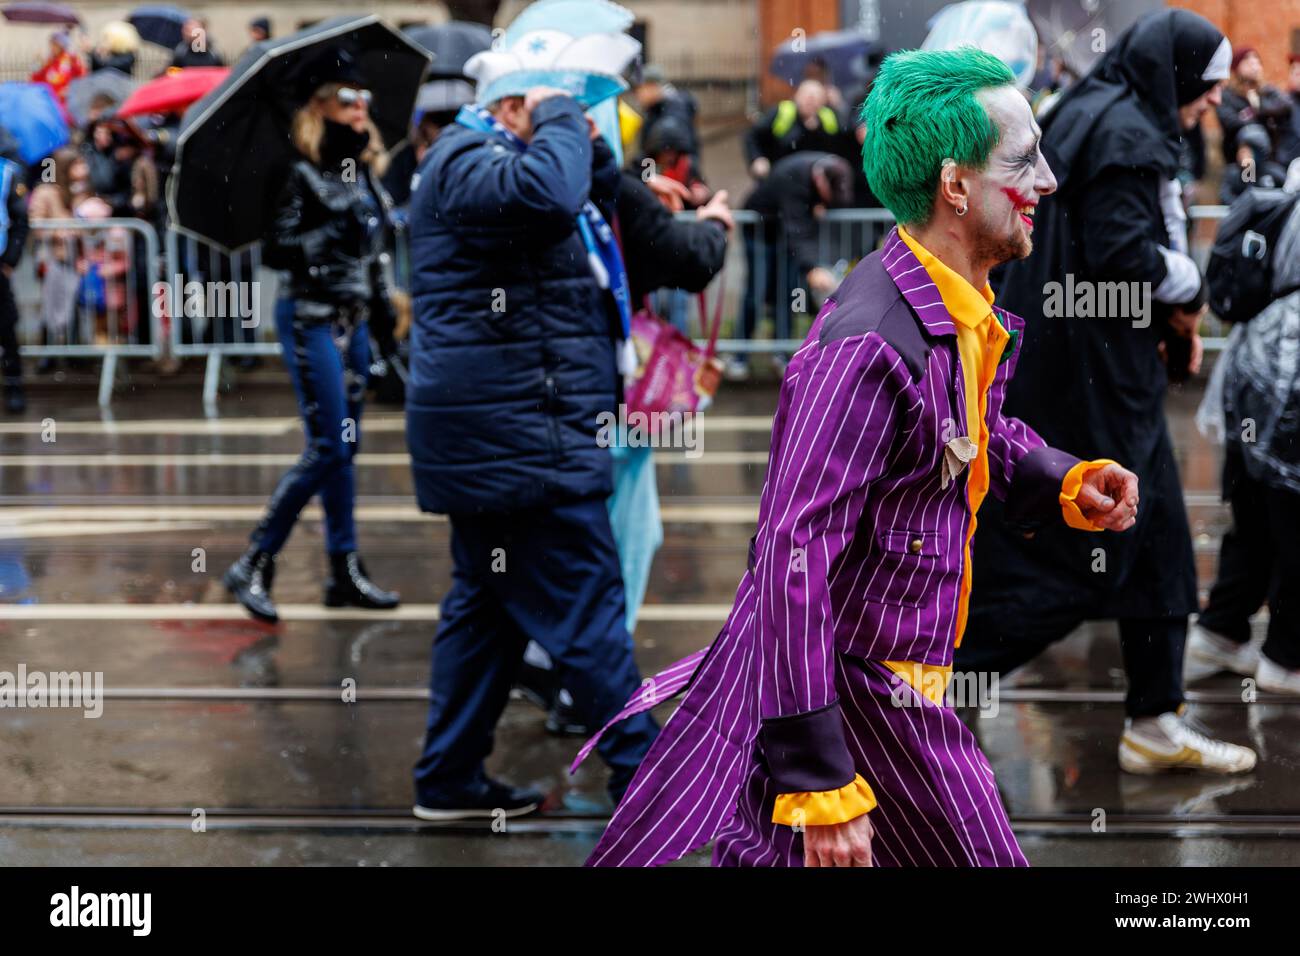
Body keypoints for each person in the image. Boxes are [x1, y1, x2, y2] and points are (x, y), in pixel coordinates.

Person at [577, 48, 1142, 868]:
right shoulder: (869, 343)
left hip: (889, 679)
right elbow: (791, 558)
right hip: (867, 692)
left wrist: (1063, 478)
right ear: (955, 186)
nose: (1047, 181)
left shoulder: (953, 302)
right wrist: (819, 776)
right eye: (1023, 161)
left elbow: (967, 436)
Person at [957, 10, 1257, 774]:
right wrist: (1194, 281)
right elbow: (1127, 253)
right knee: (1089, 548)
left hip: (1094, 364)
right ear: (1178, 76)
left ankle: (1154, 720)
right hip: (1092, 377)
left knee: (1156, 546)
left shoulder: (1097, 109)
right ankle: (945, 687)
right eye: (1209, 88)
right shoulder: (1126, 131)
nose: (1212, 105)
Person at [405, 84, 659, 820]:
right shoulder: (467, 160)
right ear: (510, 103)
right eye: (553, 107)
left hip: (512, 436)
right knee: (586, 605)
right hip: (518, 442)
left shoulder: (494, 159)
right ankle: (647, 773)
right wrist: (555, 123)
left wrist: (587, 144)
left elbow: (582, 196)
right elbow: (550, 195)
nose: (570, 123)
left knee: (487, 614)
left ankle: (448, 778)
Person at [222, 57, 400, 625]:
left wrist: (384, 330)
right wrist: (330, 230)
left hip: (355, 322)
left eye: (363, 97)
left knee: (345, 451)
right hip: (312, 317)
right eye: (347, 97)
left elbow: (375, 256)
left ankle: (343, 569)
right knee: (328, 445)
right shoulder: (297, 170)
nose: (360, 106)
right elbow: (277, 249)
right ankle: (255, 558)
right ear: (319, 106)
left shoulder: (363, 168)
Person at [1189, 185, 1300, 694]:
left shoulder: (1286, 196)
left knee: (1255, 513)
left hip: (1255, 370)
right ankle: (1287, 658)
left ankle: (1222, 632)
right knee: (1286, 520)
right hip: (1286, 378)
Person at [730, 151, 853, 379]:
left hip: (783, 237)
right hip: (760, 233)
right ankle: (739, 355)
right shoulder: (793, 177)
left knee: (786, 294)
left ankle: (782, 353)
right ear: (820, 180)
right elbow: (797, 228)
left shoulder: (829, 171)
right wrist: (812, 267)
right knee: (756, 291)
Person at [743, 79, 855, 180]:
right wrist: (757, 159)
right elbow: (752, 136)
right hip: (781, 175)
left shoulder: (829, 116)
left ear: (823, 101)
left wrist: (840, 106)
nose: (811, 101)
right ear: (797, 96)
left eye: (816, 97)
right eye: (807, 96)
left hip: (817, 177)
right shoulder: (782, 112)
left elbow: (846, 138)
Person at [1217, 47, 1290, 200]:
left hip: (1268, 160)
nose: (1254, 64)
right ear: (1237, 67)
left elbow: (1284, 108)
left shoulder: (1267, 92)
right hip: (1240, 159)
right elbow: (1230, 122)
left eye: (1256, 60)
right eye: (1247, 60)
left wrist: (1256, 111)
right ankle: (1248, 183)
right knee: (1251, 135)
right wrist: (1259, 118)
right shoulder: (1229, 95)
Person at [0, 126, 29, 414]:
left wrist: (10, 259)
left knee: (6, 327)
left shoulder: (7, 172)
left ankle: (13, 386)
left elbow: (21, 219)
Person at [30, 32, 85, 105]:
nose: (52, 48)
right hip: (51, 102)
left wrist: (71, 89)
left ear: (62, 46)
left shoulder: (72, 59)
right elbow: (38, 77)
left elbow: (82, 77)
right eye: (51, 45)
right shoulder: (50, 61)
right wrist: (36, 64)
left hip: (67, 103)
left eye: (55, 45)